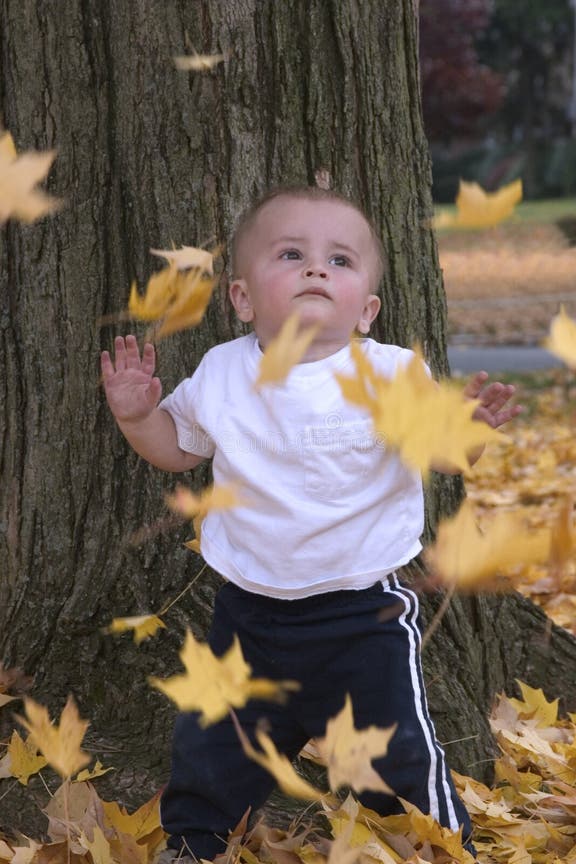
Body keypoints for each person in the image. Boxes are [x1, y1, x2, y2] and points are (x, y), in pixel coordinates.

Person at [101, 186, 520, 861]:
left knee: (398, 748)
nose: (316, 270)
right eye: (291, 254)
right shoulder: (222, 371)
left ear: (367, 310)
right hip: (246, 613)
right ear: (242, 298)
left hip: (362, 617)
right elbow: (178, 450)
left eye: (340, 260)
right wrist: (136, 416)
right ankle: (195, 841)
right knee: (212, 743)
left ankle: (442, 843)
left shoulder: (389, 372)